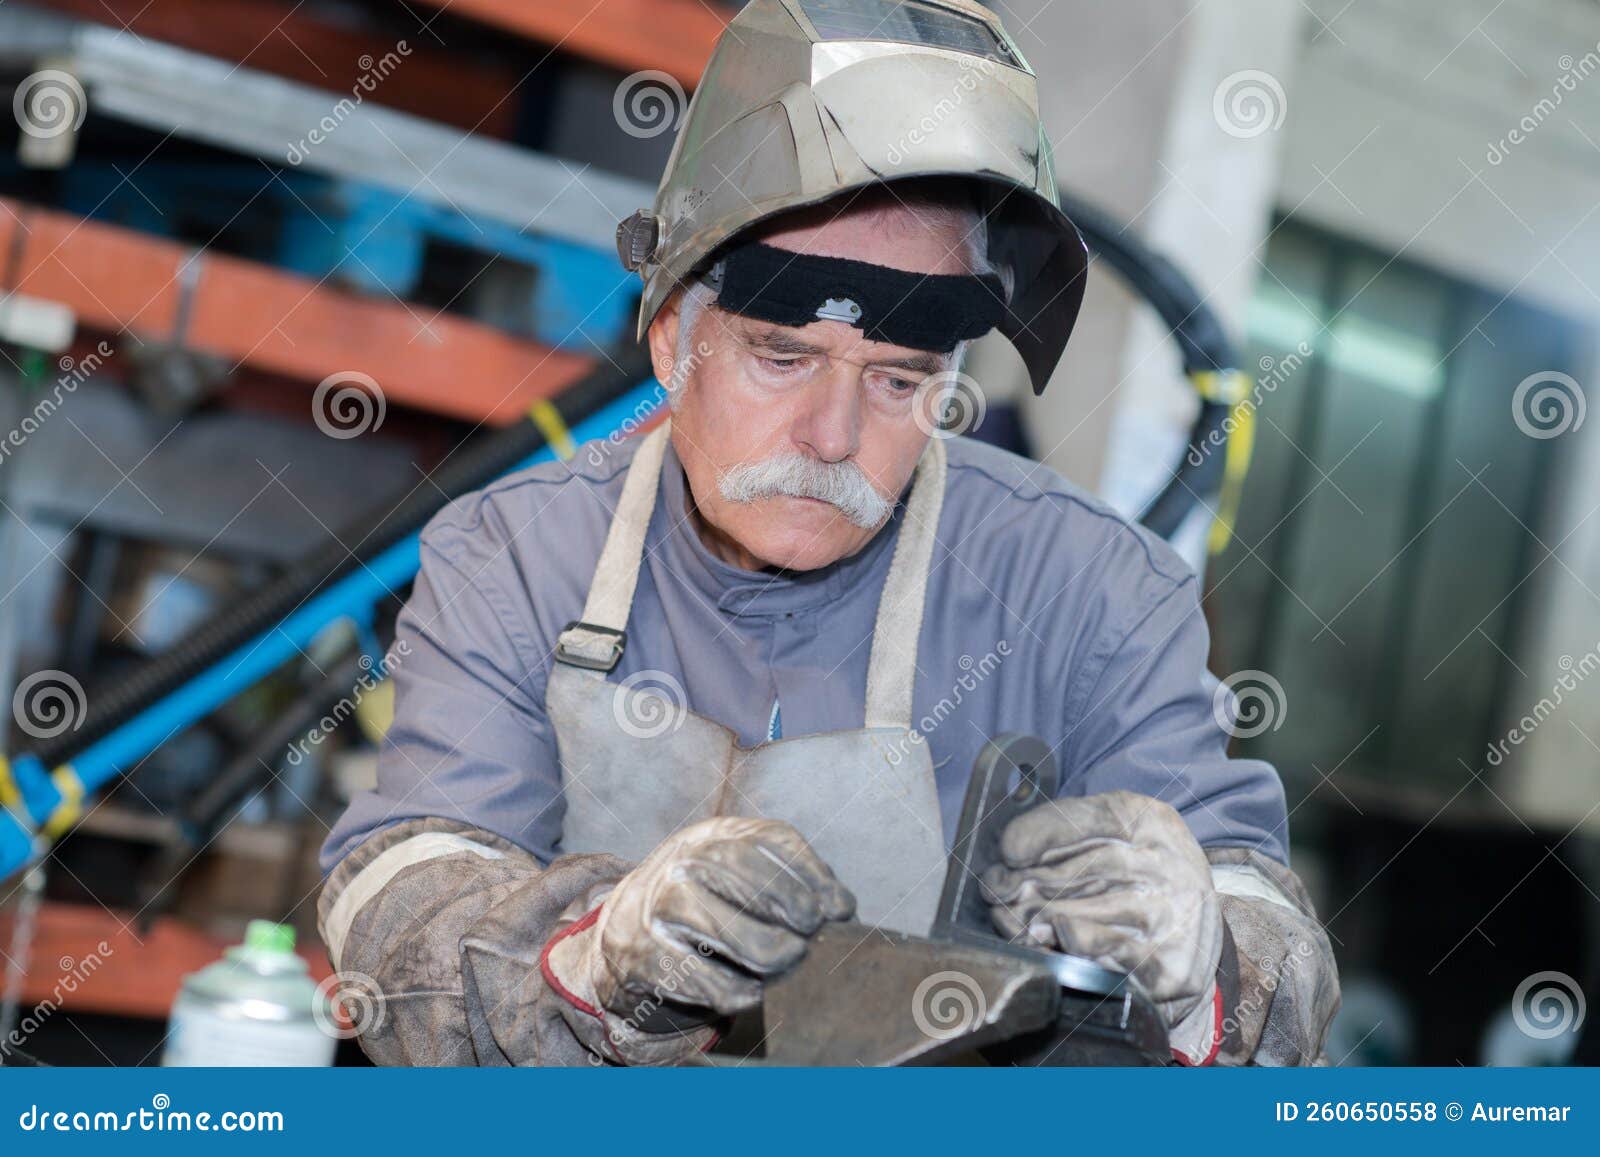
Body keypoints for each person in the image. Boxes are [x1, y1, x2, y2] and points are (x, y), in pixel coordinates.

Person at [318, 0, 1338, 1067]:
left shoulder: (1091, 589)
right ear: (673, 340)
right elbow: (399, 898)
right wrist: (590, 960)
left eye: (898, 380)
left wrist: (1203, 968)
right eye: (782, 357)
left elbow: (1266, 940)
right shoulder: (514, 555)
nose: (833, 434)